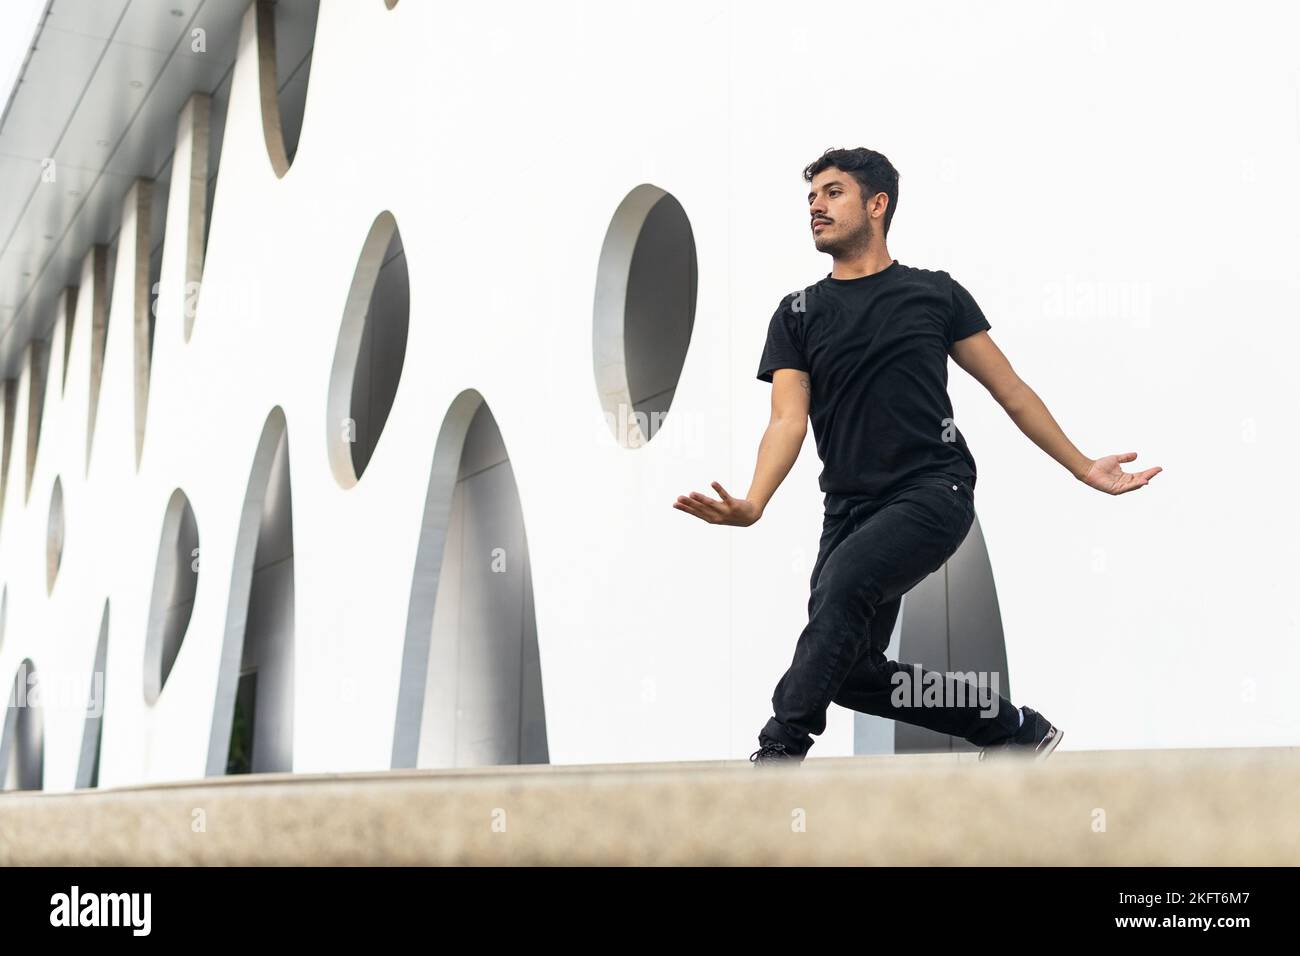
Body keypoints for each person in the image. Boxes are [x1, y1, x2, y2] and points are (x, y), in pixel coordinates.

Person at [672, 146, 1162, 766]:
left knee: (844, 587)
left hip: (933, 492)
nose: (816, 208)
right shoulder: (797, 313)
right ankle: (1011, 727)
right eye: (811, 198)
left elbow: (1009, 390)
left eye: (832, 193)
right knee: (847, 671)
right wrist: (754, 502)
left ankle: (779, 750)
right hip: (849, 510)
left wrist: (1082, 465)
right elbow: (787, 418)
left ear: (877, 205)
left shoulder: (933, 294)